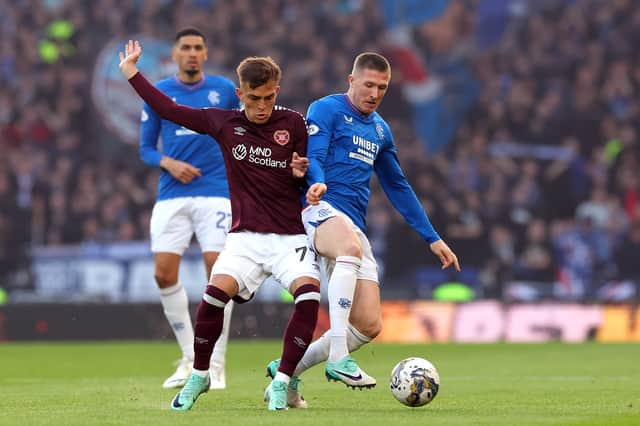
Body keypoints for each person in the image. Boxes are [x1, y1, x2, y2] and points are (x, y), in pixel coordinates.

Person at [119, 39, 321, 412]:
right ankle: (200, 374)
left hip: (289, 237)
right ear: (239, 93)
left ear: (277, 91)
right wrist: (132, 73)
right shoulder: (222, 122)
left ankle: (282, 381)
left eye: (269, 98)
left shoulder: (293, 123)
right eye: (254, 98)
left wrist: (306, 178)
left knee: (309, 296)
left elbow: (308, 167)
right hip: (244, 239)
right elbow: (168, 108)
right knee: (214, 295)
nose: (262, 107)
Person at [265, 52, 460, 406]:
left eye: (382, 87)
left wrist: (432, 237)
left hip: (353, 224)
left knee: (369, 325)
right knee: (349, 251)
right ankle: (338, 356)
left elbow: (398, 186)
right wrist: (318, 183)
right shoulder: (325, 109)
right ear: (351, 80)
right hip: (317, 209)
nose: (374, 93)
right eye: (368, 84)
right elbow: (316, 156)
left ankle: (288, 372)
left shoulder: (381, 130)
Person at [140, 28, 238, 391]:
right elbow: (146, 149)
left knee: (220, 274)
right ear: (175, 54)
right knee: (164, 275)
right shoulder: (160, 92)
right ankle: (188, 359)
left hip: (216, 193)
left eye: (198, 47)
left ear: (206, 53)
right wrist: (168, 162)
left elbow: (241, 130)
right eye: (186, 48)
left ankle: (216, 364)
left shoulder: (225, 90)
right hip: (172, 195)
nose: (192, 53)